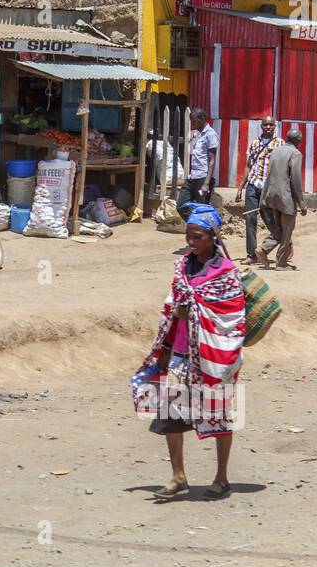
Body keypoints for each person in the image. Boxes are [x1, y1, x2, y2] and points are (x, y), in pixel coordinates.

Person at [131, 204, 245, 501]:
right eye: (188, 236)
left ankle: (222, 479)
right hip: (180, 353)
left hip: (213, 357)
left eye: (197, 237)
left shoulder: (227, 273)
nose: (191, 242)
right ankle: (178, 476)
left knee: (219, 414)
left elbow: (232, 318)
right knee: (170, 415)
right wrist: (166, 348)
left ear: (212, 237)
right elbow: (171, 307)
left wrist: (193, 311)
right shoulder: (182, 267)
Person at [234, 116, 283, 263]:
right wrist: (240, 187)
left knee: (271, 222)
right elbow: (248, 166)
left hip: (268, 190)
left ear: (275, 126)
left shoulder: (280, 144)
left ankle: (281, 247)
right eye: (265, 125)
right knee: (250, 219)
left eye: (271, 125)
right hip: (253, 186)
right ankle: (251, 255)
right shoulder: (255, 143)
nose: (268, 127)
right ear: (261, 126)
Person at [257, 128, 306, 268]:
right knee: (288, 229)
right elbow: (295, 179)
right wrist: (301, 203)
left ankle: (264, 249)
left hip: (271, 195)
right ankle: (281, 262)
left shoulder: (276, 151)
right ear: (298, 141)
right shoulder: (295, 154)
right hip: (285, 196)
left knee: (279, 229)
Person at [176, 108, 218, 218]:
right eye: (192, 121)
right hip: (192, 176)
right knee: (181, 206)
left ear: (203, 119)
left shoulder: (210, 134)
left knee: (201, 209)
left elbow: (212, 160)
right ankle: (195, 223)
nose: (193, 124)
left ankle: (203, 225)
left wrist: (206, 183)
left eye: (194, 121)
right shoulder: (195, 134)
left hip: (202, 178)